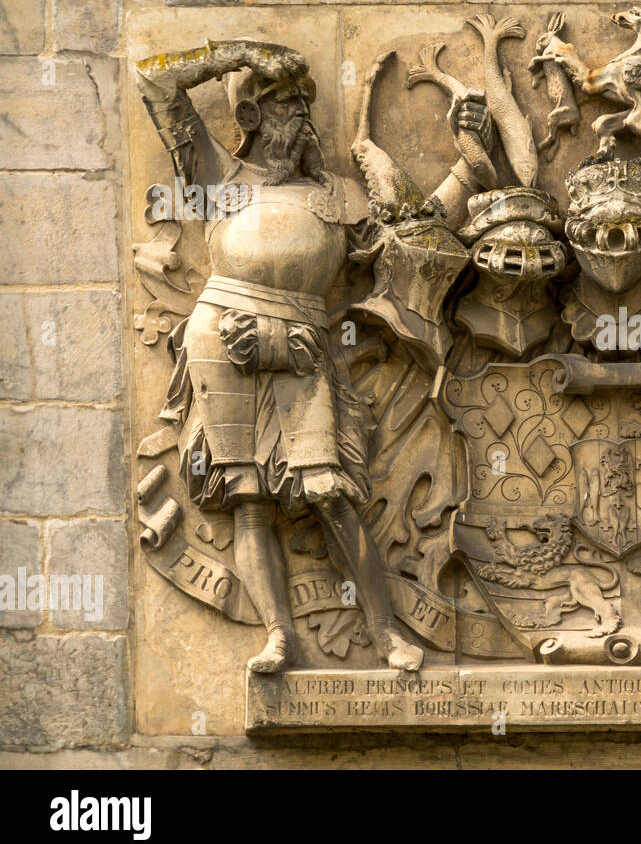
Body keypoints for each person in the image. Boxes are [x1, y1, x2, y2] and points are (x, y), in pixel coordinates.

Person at [135, 39, 491, 672]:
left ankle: (384, 633)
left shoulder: (339, 196)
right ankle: (278, 636)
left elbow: (419, 228)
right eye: (283, 103)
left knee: (329, 489)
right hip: (223, 335)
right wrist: (236, 53)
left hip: (303, 342)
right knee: (247, 494)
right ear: (249, 118)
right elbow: (155, 80)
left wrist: (467, 165)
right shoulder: (217, 179)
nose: (300, 114)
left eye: (305, 102)